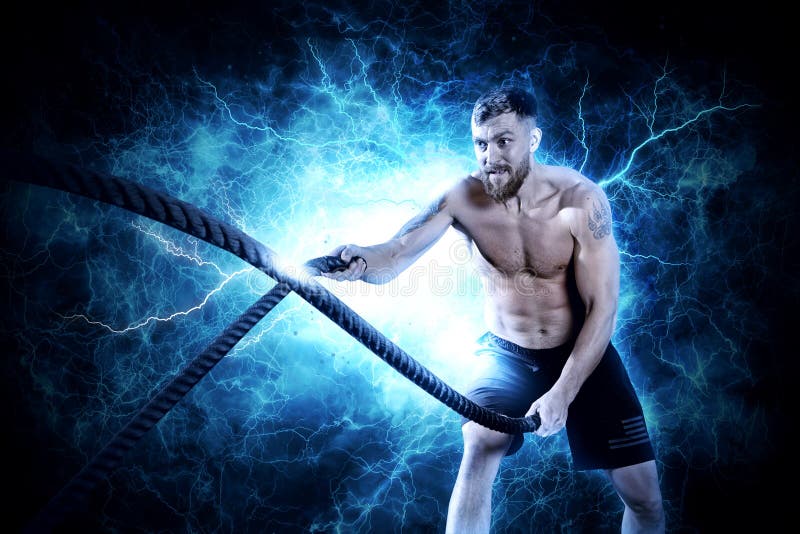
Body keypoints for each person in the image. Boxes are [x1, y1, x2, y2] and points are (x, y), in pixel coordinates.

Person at [322, 87, 664, 533]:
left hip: (582, 353)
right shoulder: (462, 197)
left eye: (503, 141)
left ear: (533, 140)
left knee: (644, 498)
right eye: (481, 143)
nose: (490, 156)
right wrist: (362, 261)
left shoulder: (580, 201)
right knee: (479, 440)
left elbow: (604, 308)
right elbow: (396, 252)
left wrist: (563, 392)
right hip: (507, 356)